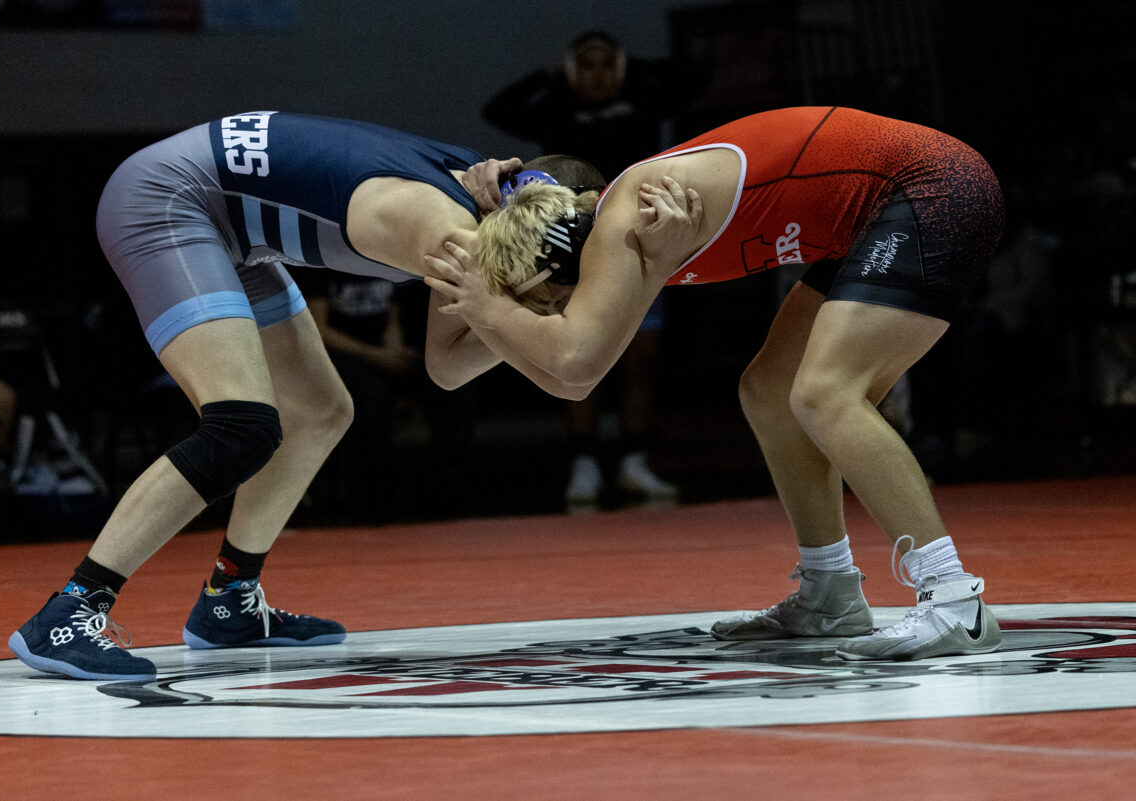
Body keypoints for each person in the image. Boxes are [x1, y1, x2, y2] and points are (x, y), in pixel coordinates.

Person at [424, 106, 1007, 661]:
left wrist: (488, 309)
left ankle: (954, 599)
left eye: (548, 302)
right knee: (770, 393)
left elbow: (575, 368)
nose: (550, 316)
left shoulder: (627, 217)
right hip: (881, 211)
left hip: (930, 186)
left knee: (825, 393)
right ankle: (830, 592)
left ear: (554, 260)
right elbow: (563, 361)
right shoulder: (626, 233)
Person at [7, 111, 509, 682]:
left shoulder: (481, 184)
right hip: (167, 201)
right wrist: (542, 316)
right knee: (241, 425)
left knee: (319, 410)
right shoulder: (449, 231)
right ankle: (70, 611)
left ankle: (230, 598)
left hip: (229, 227)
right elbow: (452, 366)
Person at [484, 30, 686, 509]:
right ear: (573, 72)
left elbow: (692, 80)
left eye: (605, 65)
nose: (596, 75)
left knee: (639, 361)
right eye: (586, 66)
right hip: (571, 251)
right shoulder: (557, 108)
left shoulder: (642, 103)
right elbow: (498, 110)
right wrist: (547, 75)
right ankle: (584, 464)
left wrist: (630, 67)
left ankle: (635, 462)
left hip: (639, 243)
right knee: (578, 358)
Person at [299, 272, 477, 524]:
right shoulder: (321, 266)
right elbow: (319, 330)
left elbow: (393, 316)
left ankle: (442, 486)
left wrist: (394, 348)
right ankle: (375, 496)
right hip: (344, 357)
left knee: (452, 389)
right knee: (372, 397)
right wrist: (377, 356)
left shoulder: (381, 258)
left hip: (384, 352)